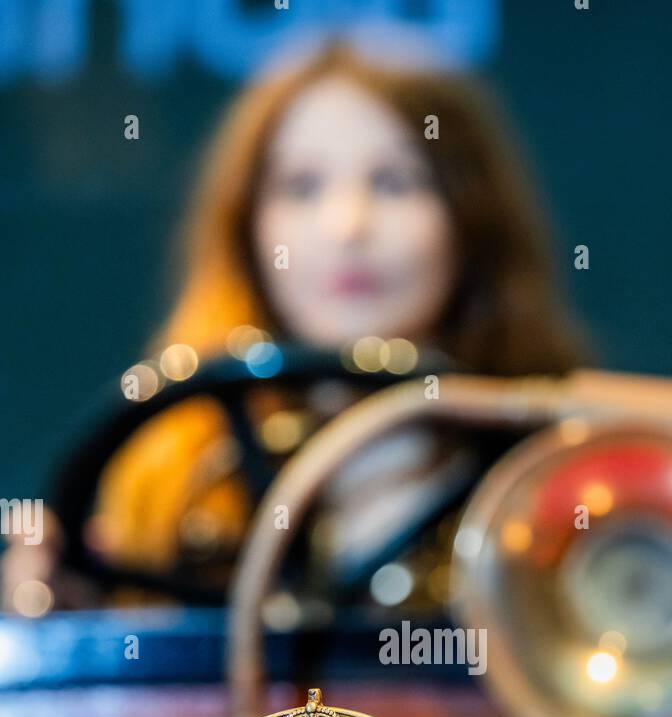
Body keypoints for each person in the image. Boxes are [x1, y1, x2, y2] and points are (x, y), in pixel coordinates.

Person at [5, 42, 587, 608]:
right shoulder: (169, 484)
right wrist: (69, 617)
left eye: (396, 181)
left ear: (473, 219)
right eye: (302, 186)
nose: (347, 225)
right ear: (248, 228)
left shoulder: (572, 478)